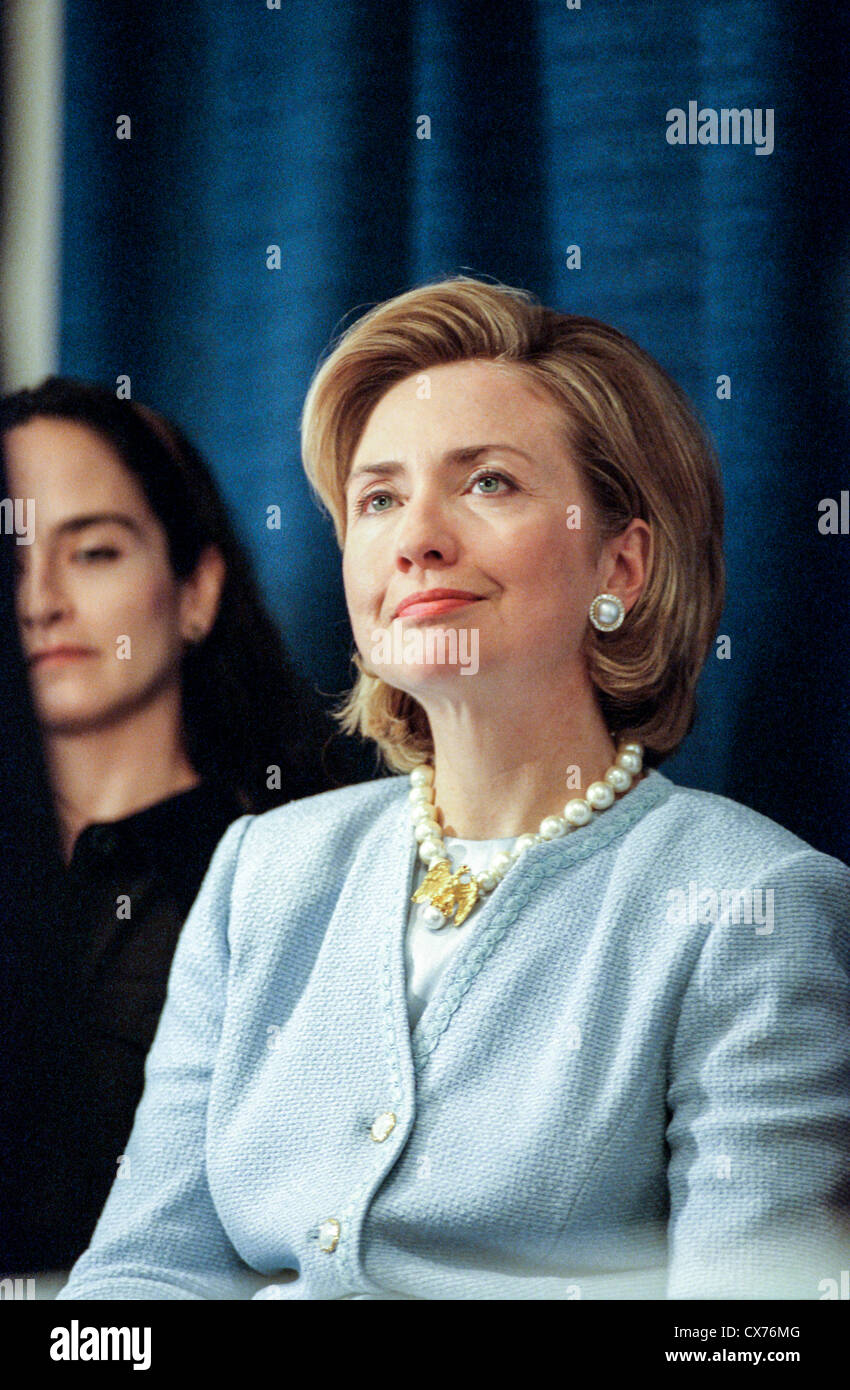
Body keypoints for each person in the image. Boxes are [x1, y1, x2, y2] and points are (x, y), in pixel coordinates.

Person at [56, 278, 850, 1301]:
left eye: (487, 484)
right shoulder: (261, 871)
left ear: (623, 560)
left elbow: (753, 1333)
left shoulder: (759, 903)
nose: (414, 536)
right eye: (378, 498)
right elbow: (137, 1284)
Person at [0, 378, 344, 1274]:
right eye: (9, 559)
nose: (38, 601)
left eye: (96, 552)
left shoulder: (294, 877)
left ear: (195, 590)